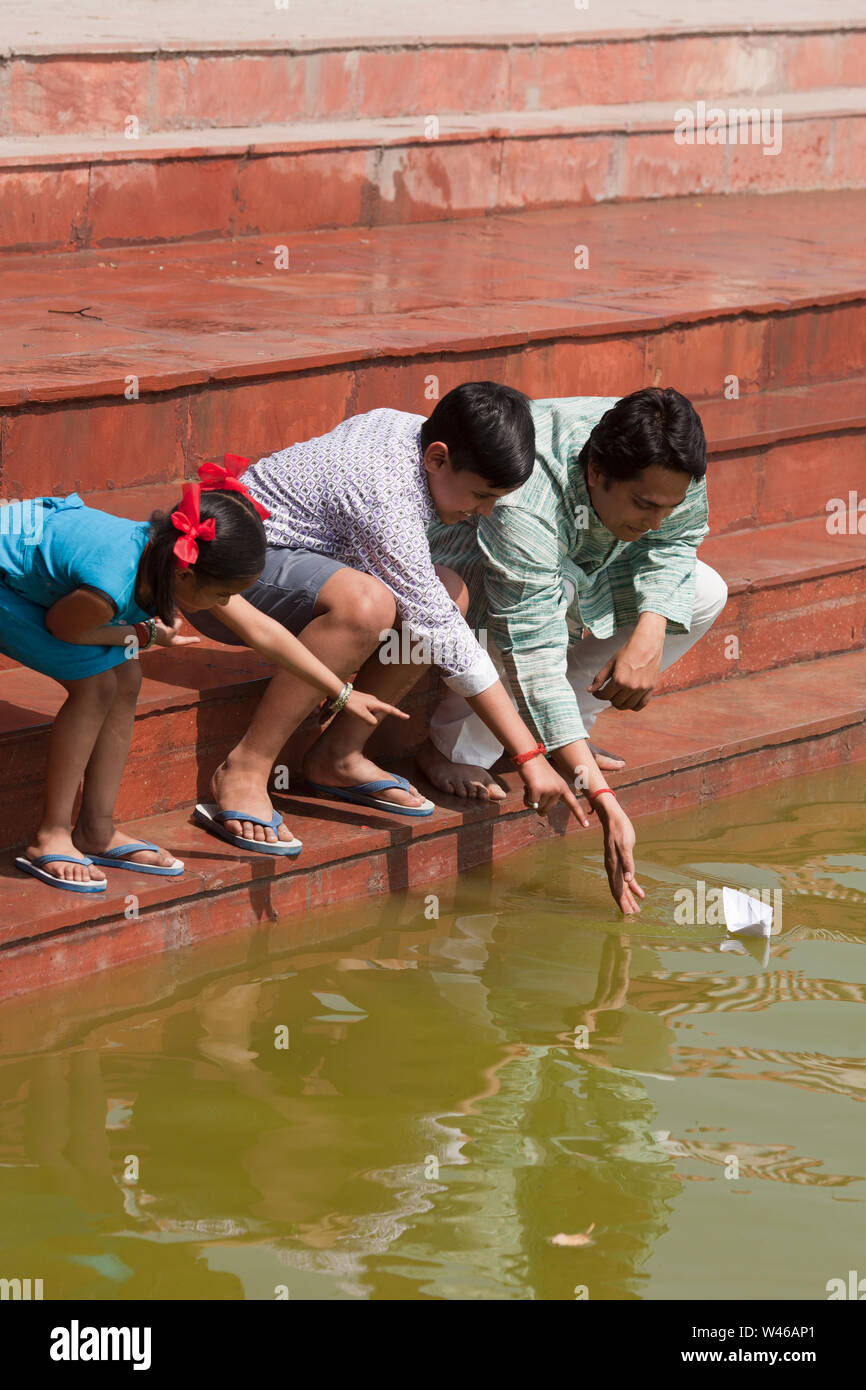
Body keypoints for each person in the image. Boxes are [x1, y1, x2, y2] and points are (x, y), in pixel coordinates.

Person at [187, 385, 589, 865]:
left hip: (305, 566)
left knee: (448, 591)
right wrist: (530, 757)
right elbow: (441, 631)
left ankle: (337, 756)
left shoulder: (412, 433)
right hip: (226, 581)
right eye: (482, 495)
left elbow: (436, 611)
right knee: (369, 606)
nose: (483, 511)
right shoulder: (384, 491)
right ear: (438, 459)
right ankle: (245, 769)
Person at [0, 465, 404, 893]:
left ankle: (95, 831)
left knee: (127, 673)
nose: (226, 603)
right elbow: (66, 627)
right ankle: (49, 838)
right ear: (187, 577)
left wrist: (342, 692)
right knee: (97, 683)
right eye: (222, 595)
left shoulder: (174, 558)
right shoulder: (113, 585)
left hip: (40, 572)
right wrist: (145, 632)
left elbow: (263, 631)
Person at [421, 386, 728, 911]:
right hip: (461, 558)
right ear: (595, 474)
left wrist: (651, 630)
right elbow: (533, 649)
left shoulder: (671, 458)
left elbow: (675, 541)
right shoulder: (524, 500)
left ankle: (570, 740)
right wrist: (603, 800)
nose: (656, 519)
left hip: (588, 562)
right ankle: (452, 748)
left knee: (702, 591)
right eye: (643, 505)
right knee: (542, 601)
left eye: (668, 505)